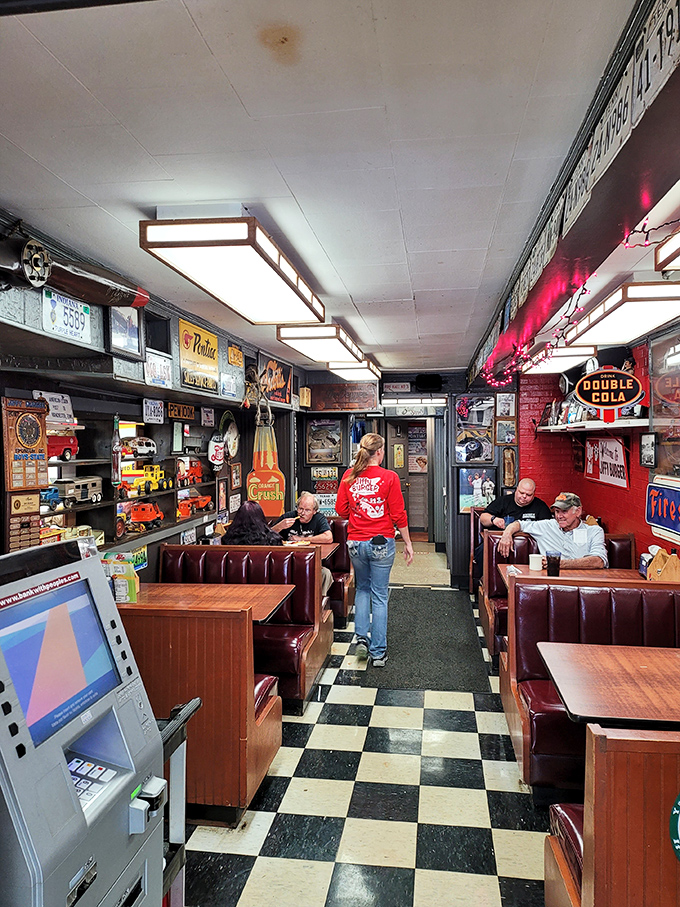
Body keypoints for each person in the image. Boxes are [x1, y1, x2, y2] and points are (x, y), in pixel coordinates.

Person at [335, 432, 414, 667]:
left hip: (356, 542)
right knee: (379, 595)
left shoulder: (349, 476)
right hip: (381, 541)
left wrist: (358, 514)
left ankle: (361, 638)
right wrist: (408, 542)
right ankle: (378, 653)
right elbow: (398, 514)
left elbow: (341, 510)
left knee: (362, 589)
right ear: (379, 452)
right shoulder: (390, 477)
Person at [497, 492, 608, 568]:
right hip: (554, 584)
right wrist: (507, 534)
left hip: (585, 582)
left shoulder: (594, 531)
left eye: (564, 511)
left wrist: (558, 564)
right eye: (557, 511)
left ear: (578, 512)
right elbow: (519, 524)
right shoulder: (547, 526)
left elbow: (599, 561)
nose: (559, 516)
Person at [473, 478, 551, 578]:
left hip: (528, 548)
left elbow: (547, 530)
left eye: (528, 495)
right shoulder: (503, 501)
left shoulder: (541, 506)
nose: (524, 496)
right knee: (483, 550)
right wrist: (494, 519)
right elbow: (483, 518)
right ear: (516, 489)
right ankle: (486, 580)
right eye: (521, 492)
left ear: (534, 494)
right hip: (499, 543)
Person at [272, 492, 333, 595]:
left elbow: (328, 537)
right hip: (287, 563)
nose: (302, 513)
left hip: (311, 562)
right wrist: (280, 526)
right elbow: (267, 535)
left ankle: (317, 602)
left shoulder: (319, 519)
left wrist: (302, 539)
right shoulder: (288, 517)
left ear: (314, 511)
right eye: (300, 509)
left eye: (307, 510)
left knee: (325, 574)